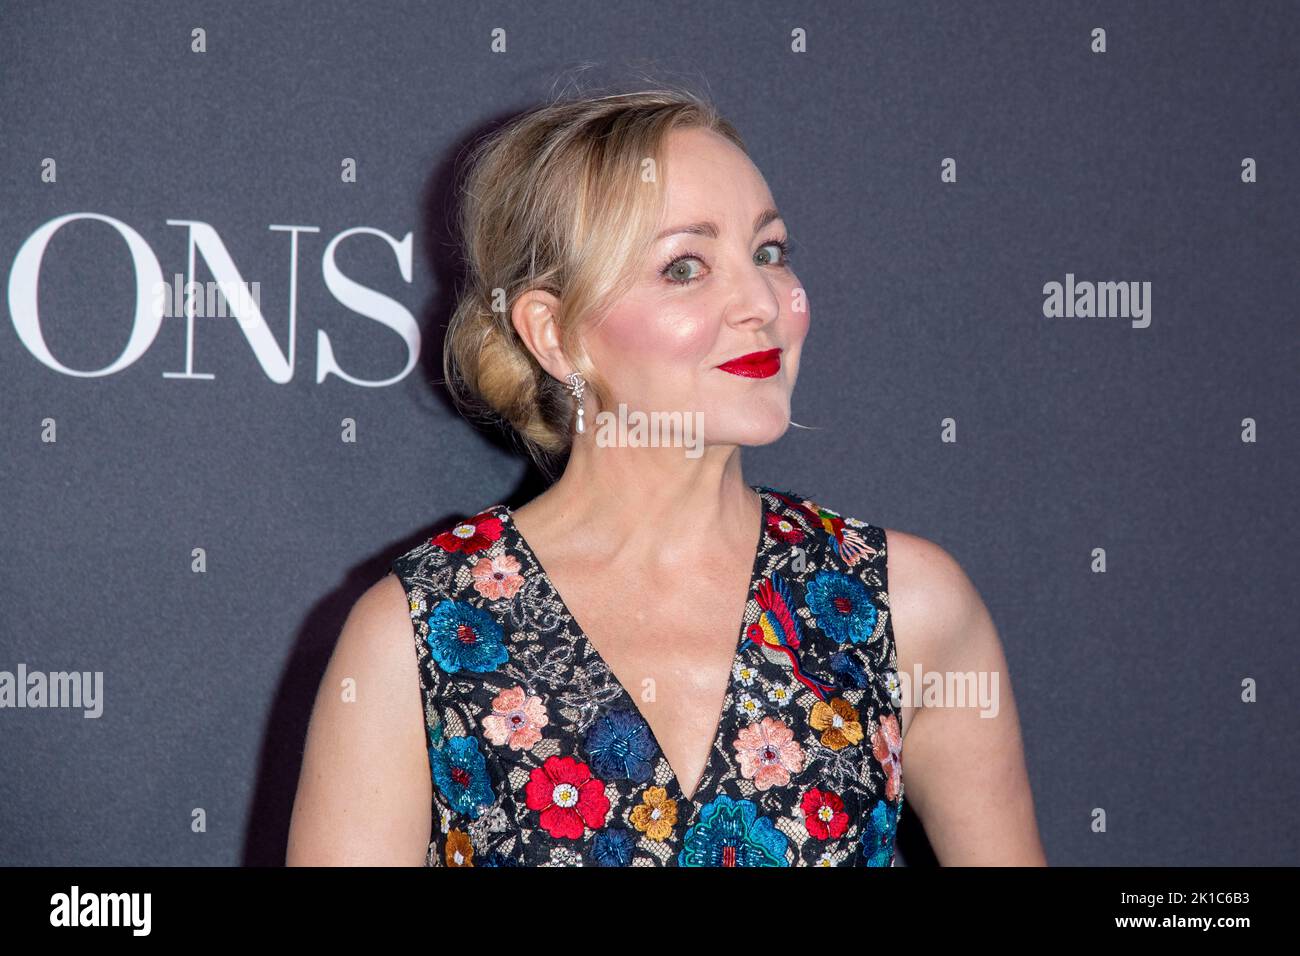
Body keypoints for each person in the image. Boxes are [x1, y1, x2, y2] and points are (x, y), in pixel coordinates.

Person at [287, 85, 1046, 867]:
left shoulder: (905, 607)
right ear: (553, 335)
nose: (761, 302)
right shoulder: (418, 637)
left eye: (769, 252)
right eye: (685, 267)